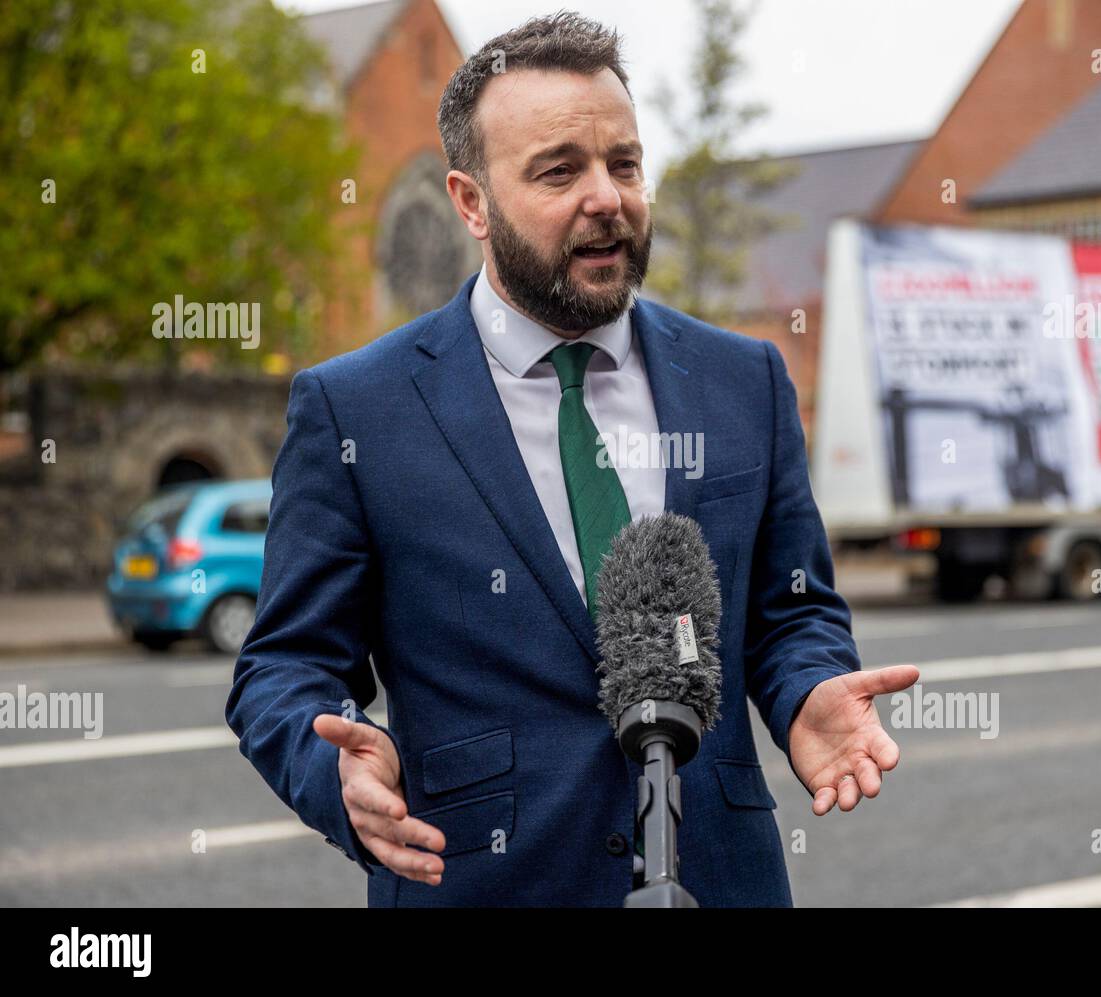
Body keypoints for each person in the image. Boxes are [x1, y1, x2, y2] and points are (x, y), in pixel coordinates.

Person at [225, 10, 919, 908]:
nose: (608, 196)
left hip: (721, 879)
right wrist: (337, 768)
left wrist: (808, 690)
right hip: (480, 882)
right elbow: (282, 666)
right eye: (560, 170)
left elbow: (791, 611)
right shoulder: (357, 407)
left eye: (623, 163)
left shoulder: (743, 379)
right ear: (471, 202)